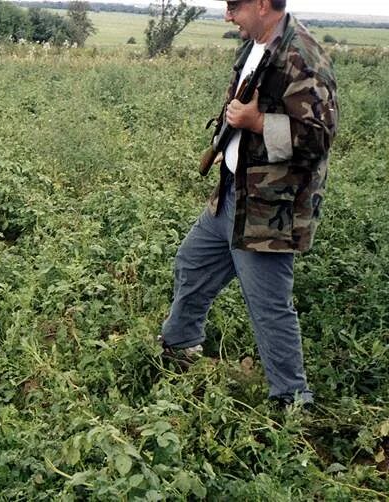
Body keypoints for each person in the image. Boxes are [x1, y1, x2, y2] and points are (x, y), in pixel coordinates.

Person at [159, 0, 339, 406]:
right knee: (193, 263)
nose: (227, 15)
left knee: (268, 306)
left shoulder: (302, 57)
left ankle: (291, 400)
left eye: (233, 5)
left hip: (267, 208)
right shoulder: (255, 44)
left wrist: (257, 123)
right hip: (231, 193)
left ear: (262, 3)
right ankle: (179, 347)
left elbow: (319, 139)